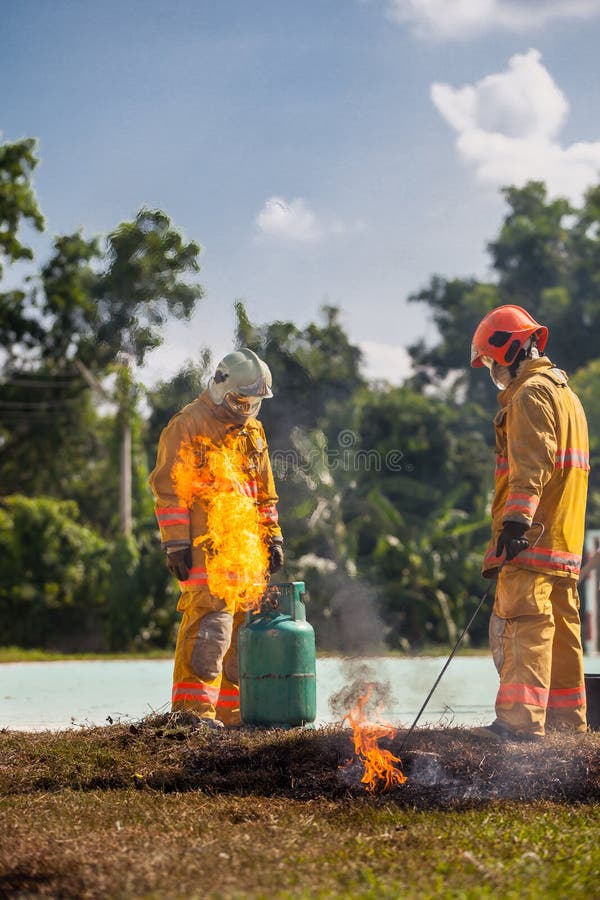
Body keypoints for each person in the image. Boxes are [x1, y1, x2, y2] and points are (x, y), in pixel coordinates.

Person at [470, 305, 589, 741]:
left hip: (531, 540)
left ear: (508, 349)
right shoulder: (568, 397)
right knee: (561, 636)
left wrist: (515, 522)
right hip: (562, 541)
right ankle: (566, 727)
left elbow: (531, 464)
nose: (491, 370)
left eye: (489, 360)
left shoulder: (529, 394)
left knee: (523, 625)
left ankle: (518, 725)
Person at [149, 348, 284, 727]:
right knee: (210, 634)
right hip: (205, 554)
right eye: (240, 400)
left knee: (243, 642)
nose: (246, 409)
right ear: (220, 388)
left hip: (246, 555)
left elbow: (263, 492)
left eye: (253, 402)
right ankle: (193, 719)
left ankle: (232, 720)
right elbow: (168, 490)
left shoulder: (253, 431)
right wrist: (176, 543)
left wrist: (272, 538)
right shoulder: (187, 425)